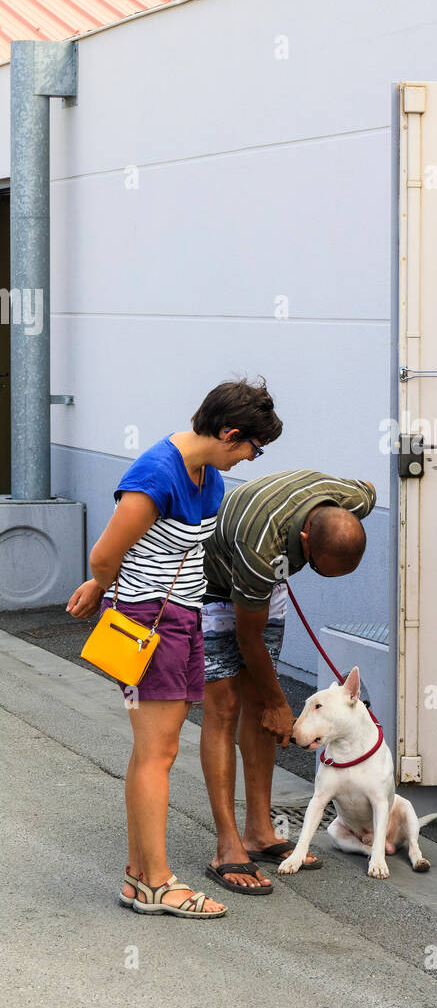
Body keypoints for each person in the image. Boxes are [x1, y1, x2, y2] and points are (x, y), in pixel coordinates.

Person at [67, 378, 283, 917]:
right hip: (149, 623)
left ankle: (139, 877)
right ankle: (158, 885)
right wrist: (101, 585)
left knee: (153, 751)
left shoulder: (207, 475)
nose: (253, 458)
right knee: (158, 754)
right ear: (230, 433)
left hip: (183, 619)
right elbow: (104, 554)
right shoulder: (155, 474)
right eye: (254, 447)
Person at [199, 470, 377, 894]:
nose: (315, 575)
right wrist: (281, 703)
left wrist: (271, 702)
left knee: (261, 705)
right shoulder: (262, 547)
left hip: (263, 586)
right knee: (225, 706)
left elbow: (367, 485)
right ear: (303, 543)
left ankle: (259, 832)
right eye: (315, 567)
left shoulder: (354, 499)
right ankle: (228, 847)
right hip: (214, 583)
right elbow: (248, 637)